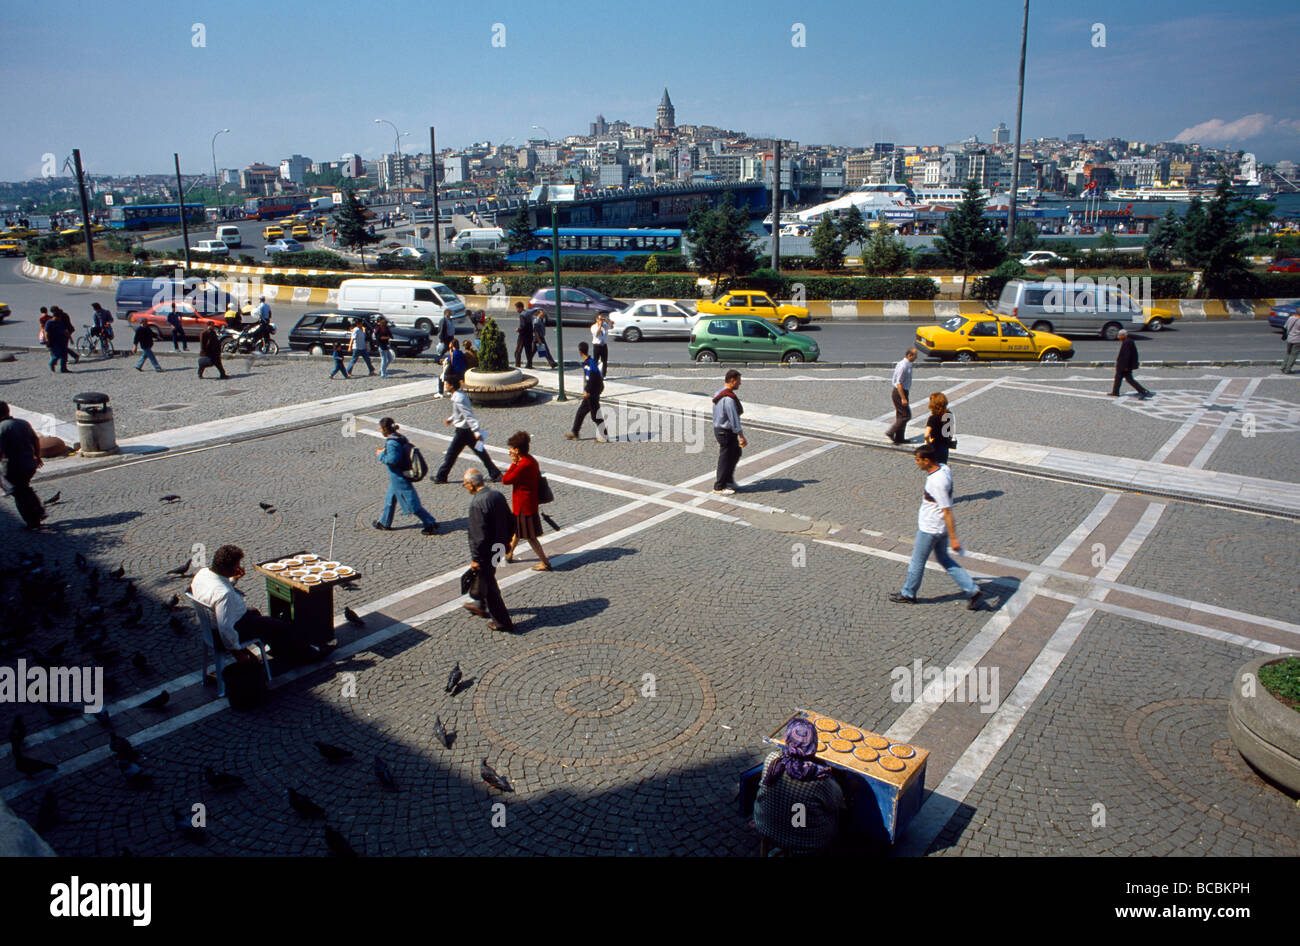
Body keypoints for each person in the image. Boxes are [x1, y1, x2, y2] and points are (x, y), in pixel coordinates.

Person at [190, 545, 328, 670]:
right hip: (232, 629)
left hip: (209, 626)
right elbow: (225, 628)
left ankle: (279, 648)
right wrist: (239, 652)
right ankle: (305, 654)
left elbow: (216, 592)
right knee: (279, 626)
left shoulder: (202, 574)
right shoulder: (223, 594)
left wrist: (234, 579)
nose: (239, 566)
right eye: (237, 565)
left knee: (255, 612)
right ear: (228, 569)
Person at [889, 445, 983, 609]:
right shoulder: (944, 469)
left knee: (917, 562)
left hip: (930, 528)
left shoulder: (935, 482)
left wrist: (954, 538)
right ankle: (972, 589)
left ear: (927, 460)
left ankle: (908, 593)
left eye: (918, 460)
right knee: (944, 559)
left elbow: (946, 510)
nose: (917, 463)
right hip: (940, 528)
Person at [753, 718, 846, 855]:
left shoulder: (772, 760)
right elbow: (836, 803)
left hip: (766, 826)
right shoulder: (820, 780)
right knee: (839, 813)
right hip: (807, 841)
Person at [462, 468, 516, 633]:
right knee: (489, 576)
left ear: (472, 484)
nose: (465, 487)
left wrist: (476, 559)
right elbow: (511, 520)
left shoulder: (477, 504)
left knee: (489, 584)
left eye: (465, 484)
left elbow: (478, 536)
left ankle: (502, 622)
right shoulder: (496, 495)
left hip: (487, 552)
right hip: (499, 548)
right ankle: (480, 605)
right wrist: (507, 541)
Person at [373, 418, 438, 534]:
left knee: (412, 503)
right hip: (396, 478)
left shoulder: (392, 442)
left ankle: (430, 522)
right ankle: (384, 522)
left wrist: (381, 455)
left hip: (399, 477)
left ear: (385, 429)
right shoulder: (398, 437)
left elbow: (392, 460)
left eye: (380, 428)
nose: (379, 429)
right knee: (390, 499)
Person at [434, 376, 502, 482]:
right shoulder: (460, 395)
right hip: (465, 430)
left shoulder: (458, 398)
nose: (445, 385)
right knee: (480, 453)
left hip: (463, 431)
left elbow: (468, 414)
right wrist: (451, 419)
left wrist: (476, 431)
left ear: (451, 386)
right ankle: (495, 473)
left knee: (451, 454)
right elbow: (460, 413)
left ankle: (441, 476)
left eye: (447, 384)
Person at [502, 430, 551, 571]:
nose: (509, 451)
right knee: (517, 531)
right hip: (527, 503)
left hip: (524, 506)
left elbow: (506, 480)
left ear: (517, 450)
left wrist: (513, 464)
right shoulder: (531, 460)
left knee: (531, 537)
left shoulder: (522, 465)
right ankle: (510, 553)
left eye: (511, 448)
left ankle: (545, 562)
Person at [0, 402, 46, 530]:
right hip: (29, 464)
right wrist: (37, 455)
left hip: (13, 467)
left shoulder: (2, 428)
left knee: (19, 493)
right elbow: (35, 439)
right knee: (24, 488)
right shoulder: (23, 423)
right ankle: (39, 511)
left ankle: (33, 520)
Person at [565, 341, 608, 442]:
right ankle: (575, 432)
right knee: (581, 412)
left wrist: (587, 391)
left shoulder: (590, 363)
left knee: (595, 416)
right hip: (590, 392)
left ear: (580, 352)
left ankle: (604, 436)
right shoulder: (588, 362)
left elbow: (593, 377)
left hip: (593, 393)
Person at [712, 369, 746, 494]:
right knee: (725, 458)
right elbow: (734, 419)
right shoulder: (729, 399)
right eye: (738, 381)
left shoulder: (718, 393)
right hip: (726, 431)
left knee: (736, 452)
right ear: (732, 380)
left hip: (719, 429)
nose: (740, 384)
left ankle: (729, 480)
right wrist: (741, 436)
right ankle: (719, 486)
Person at [885, 348, 918, 444]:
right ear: (909, 355)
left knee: (900, 416)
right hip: (899, 392)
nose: (916, 357)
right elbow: (898, 383)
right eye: (915, 355)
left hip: (903, 392)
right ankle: (891, 432)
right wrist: (903, 398)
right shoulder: (903, 366)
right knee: (906, 416)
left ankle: (900, 438)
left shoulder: (907, 364)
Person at [1110, 330, 1151, 398]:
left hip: (1124, 366)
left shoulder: (1127, 342)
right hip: (1123, 365)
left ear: (1124, 335)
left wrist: (1125, 366)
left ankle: (1143, 391)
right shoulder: (1127, 341)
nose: (1118, 337)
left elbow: (1127, 356)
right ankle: (1115, 392)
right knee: (1118, 378)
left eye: (1119, 335)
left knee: (1129, 379)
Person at [923, 392, 955, 465]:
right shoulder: (949, 415)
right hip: (944, 446)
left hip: (935, 446)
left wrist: (928, 442)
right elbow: (951, 433)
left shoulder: (933, 418)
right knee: (943, 465)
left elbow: (926, 435)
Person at [590, 312, 613, 377]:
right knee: (595, 361)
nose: (601, 321)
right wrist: (599, 326)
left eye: (602, 319)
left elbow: (611, 327)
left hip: (604, 346)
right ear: (596, 319)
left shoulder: (605, 326)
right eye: (600, 319)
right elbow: (596, 334)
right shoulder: (593, 327)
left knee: (604, 361)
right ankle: (595, 374)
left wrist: (607, 321)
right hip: (597, 346)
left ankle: (603, 375)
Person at [514, 301, 535, 368]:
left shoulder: (522, 315)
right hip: (530, 335)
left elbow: (523, 325)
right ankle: (529, 365)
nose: (516, 310)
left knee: (517, 351)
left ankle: (517, 365)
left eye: (517, 308)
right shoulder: (528, 313)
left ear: (520, 308)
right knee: (528, 351)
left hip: (523, 336)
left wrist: (518, 329)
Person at [1282, 309, 1300, 374]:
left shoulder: (1290, 318)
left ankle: (1283, 367)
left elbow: (1285, 327)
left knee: (1288, 353)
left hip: (1289, 338)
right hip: (1297, 340)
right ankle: (1288, 369)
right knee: (1293, 355)